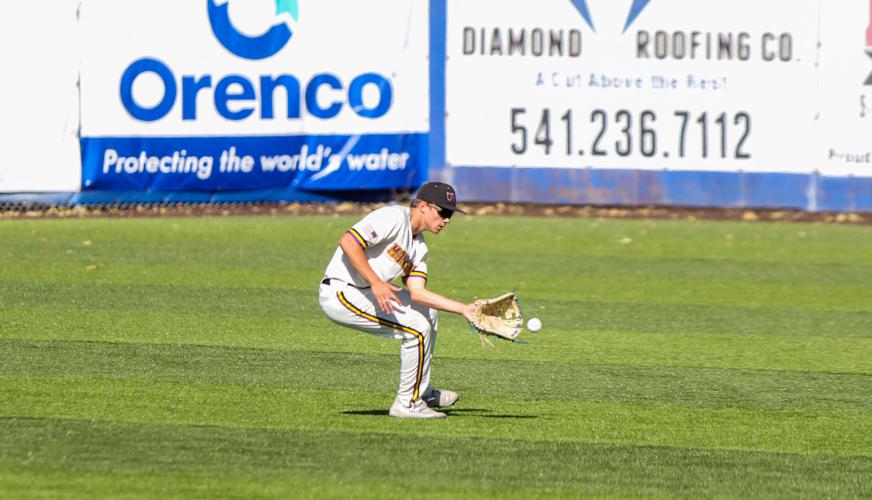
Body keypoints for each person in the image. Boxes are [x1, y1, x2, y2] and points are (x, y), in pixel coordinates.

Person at [318, 181, 476, 419]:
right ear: (422, 206)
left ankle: (420, 391)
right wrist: (376, 282)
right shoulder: (392, 217)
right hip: (341, 292)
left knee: (427, 312)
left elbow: (418, 293)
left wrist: (463, 309)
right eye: (443, 211)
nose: (447, 219)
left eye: (450, 214)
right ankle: (407, 404)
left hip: (365, 292)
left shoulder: (419, 247)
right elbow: (348, 241)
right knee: (418, 328)